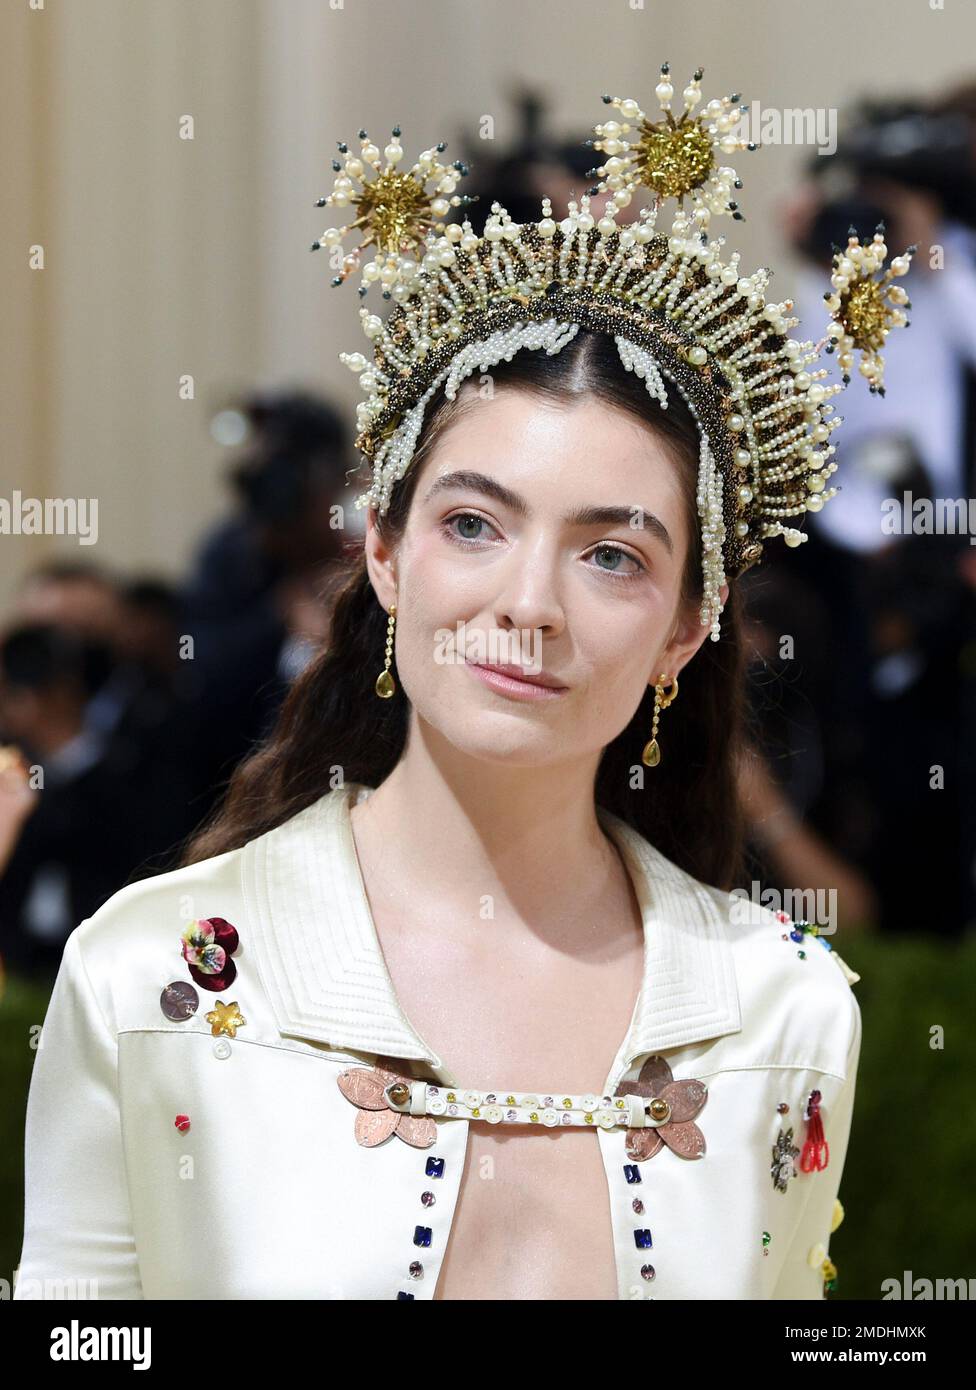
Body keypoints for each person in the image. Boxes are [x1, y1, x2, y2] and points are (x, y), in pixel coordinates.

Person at [15, 69, 889, 1301]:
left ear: (688, 628)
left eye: (610, 555)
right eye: (475, 523)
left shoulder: (779, 1009)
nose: (527, 602)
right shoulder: (152, 974)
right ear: (382, 548)